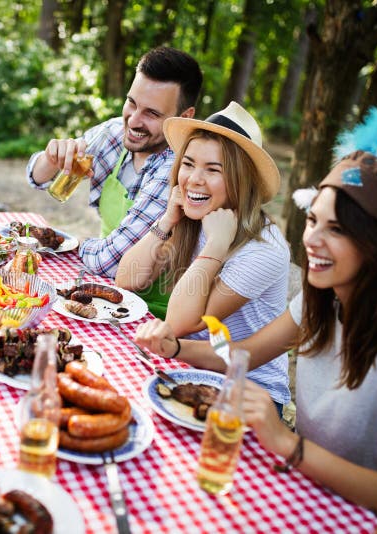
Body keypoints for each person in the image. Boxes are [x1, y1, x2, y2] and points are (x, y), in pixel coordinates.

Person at [135, 107, 377, 511]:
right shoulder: (321, 298)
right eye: (313, 221)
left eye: (338, 230)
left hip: (364, 514)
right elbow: (243, 354)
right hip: (310, 481)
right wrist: (176, 350)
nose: (313, 240)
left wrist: (286, 442)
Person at [117, 102, 291, 411]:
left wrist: (216, 245)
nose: (194, 179)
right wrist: (167, 220)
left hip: (249, 390)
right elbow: (126, 280)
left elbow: (180, 322)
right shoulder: (195, 214)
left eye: (213, 169)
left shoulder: (264, 250)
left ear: (241, 181)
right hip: (192, 368)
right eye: (188, 164)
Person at [26, 46, 203, 280]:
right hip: (103, 280)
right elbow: (36, 177)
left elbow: (110, 262)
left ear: (185, 117)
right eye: (132, 103)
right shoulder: (113, 132)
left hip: (156, 300)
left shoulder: (178, 168)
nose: (134, 120)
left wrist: (72, 243)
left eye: (152, 113)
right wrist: (51, 158)